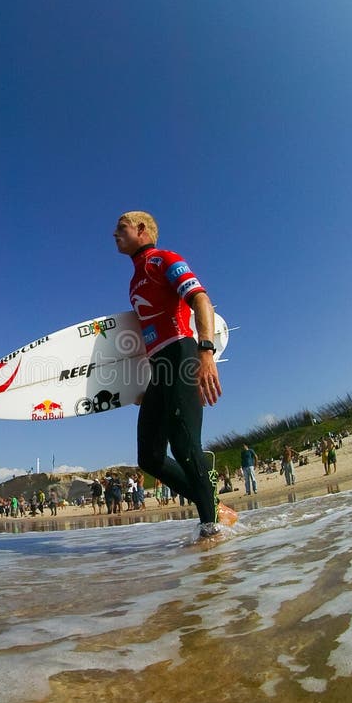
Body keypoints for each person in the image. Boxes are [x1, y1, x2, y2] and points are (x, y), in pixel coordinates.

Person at [114, 210, 223, 538]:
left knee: (185, 446)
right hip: (159, 369)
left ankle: (212, 530)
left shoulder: (165, 260)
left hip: (182, 354)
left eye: (121, 229)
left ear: (142, 230)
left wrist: (206, 351)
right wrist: (146, 386)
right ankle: (208, 493)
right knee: (149, 456)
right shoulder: (134, 280)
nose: (114, 235)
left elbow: (201, 300)